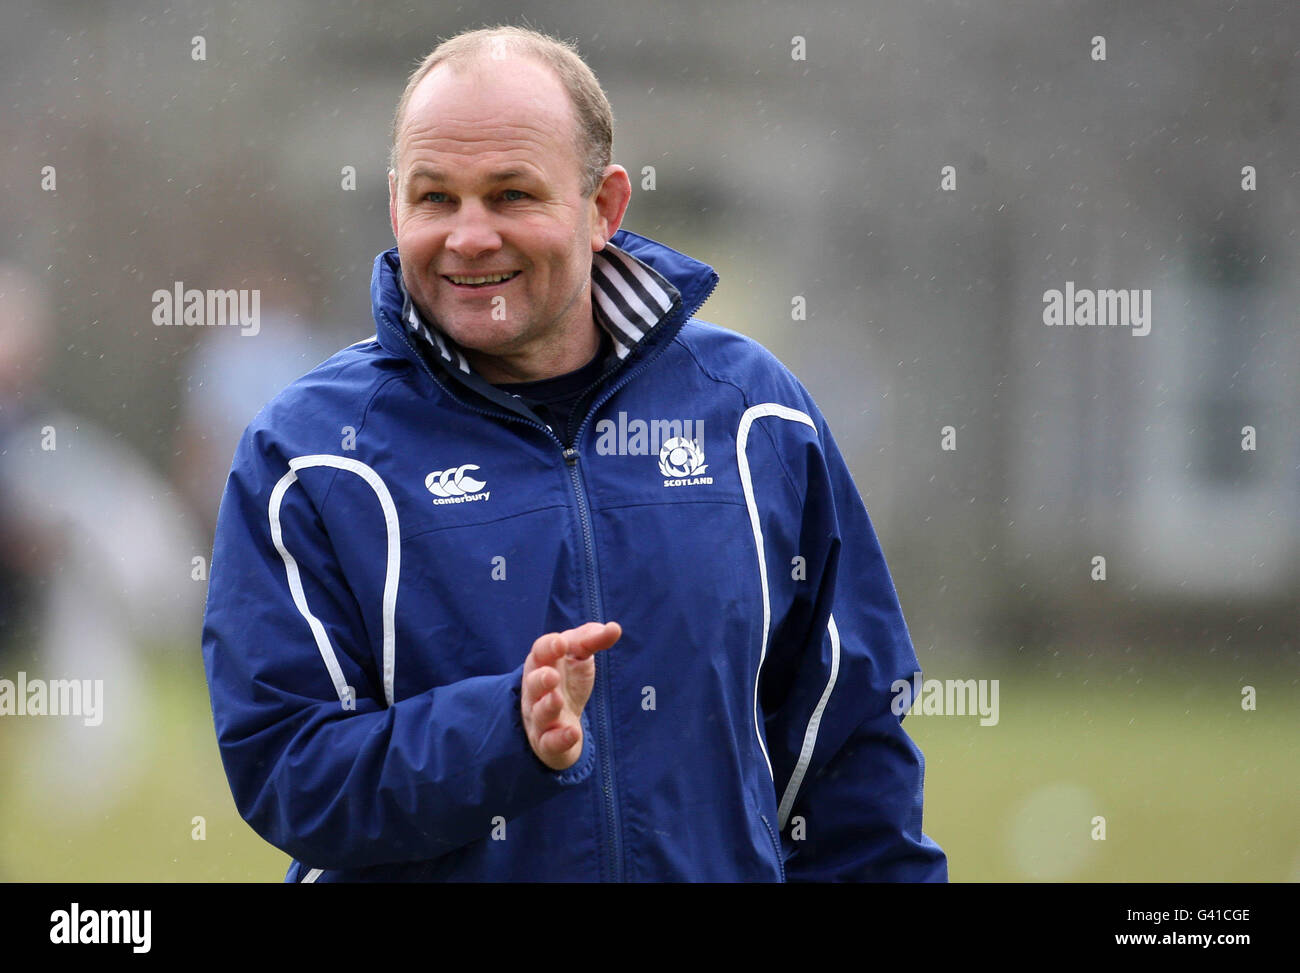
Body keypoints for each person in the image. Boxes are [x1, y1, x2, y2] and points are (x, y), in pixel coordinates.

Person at [200, 25, 947, 882]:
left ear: (604, 207)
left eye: (511, 194)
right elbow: (287, 770)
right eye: (435, 197)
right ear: (396, 206)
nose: (469, 236)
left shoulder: (755, 415)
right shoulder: (309, 454)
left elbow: (852, 751)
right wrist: (503, 733)